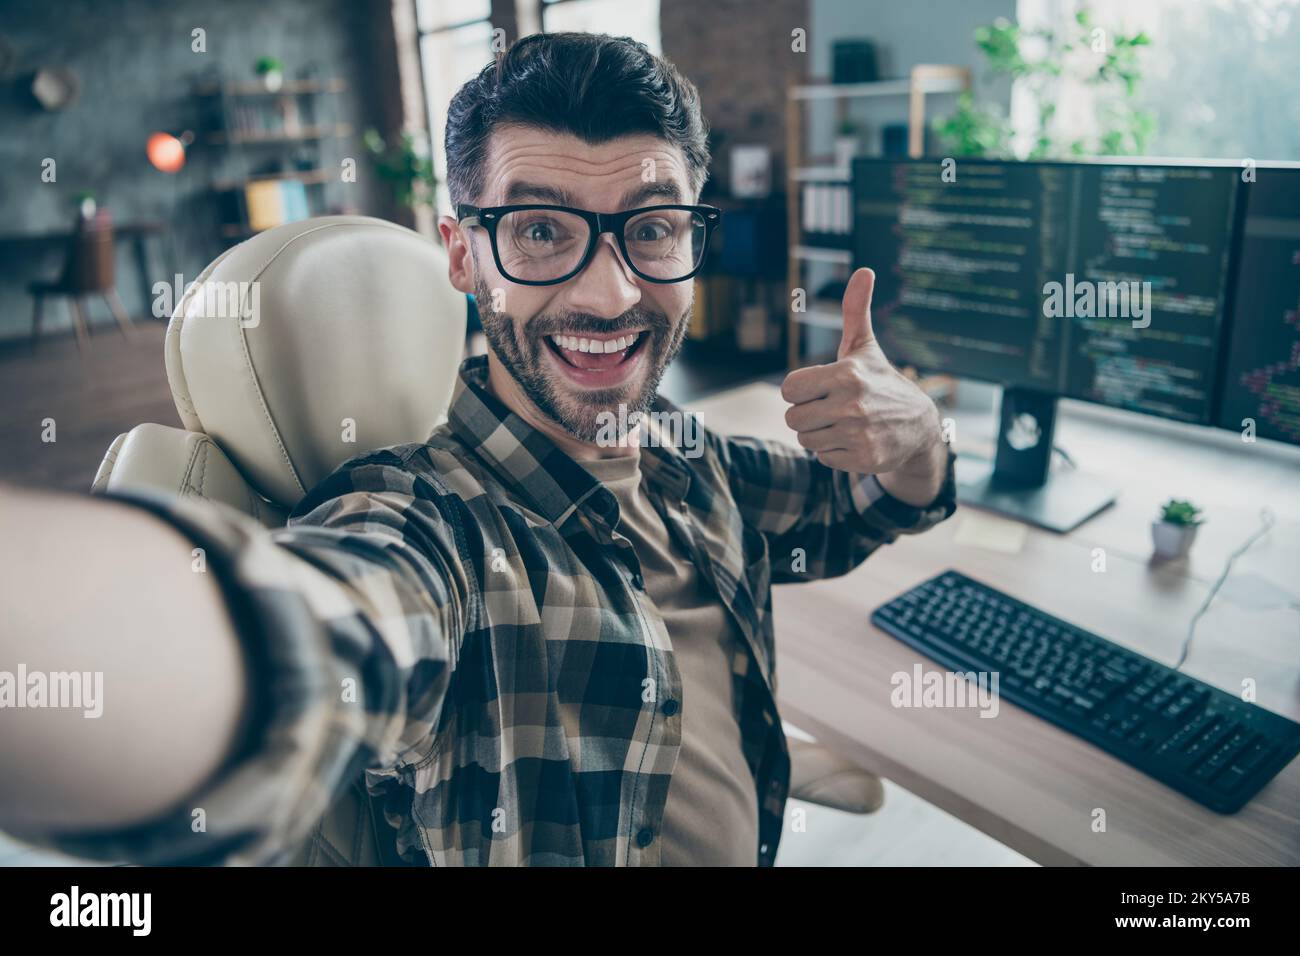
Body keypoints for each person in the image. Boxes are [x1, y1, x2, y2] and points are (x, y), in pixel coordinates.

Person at [0, 32, 956, 866]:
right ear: (463, 255)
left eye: (653, 230)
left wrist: (918, 434)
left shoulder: (681, 452)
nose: (610, 295)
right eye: (541, 230)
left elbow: (853, 508)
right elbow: (311, 629)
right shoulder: (433, 531)